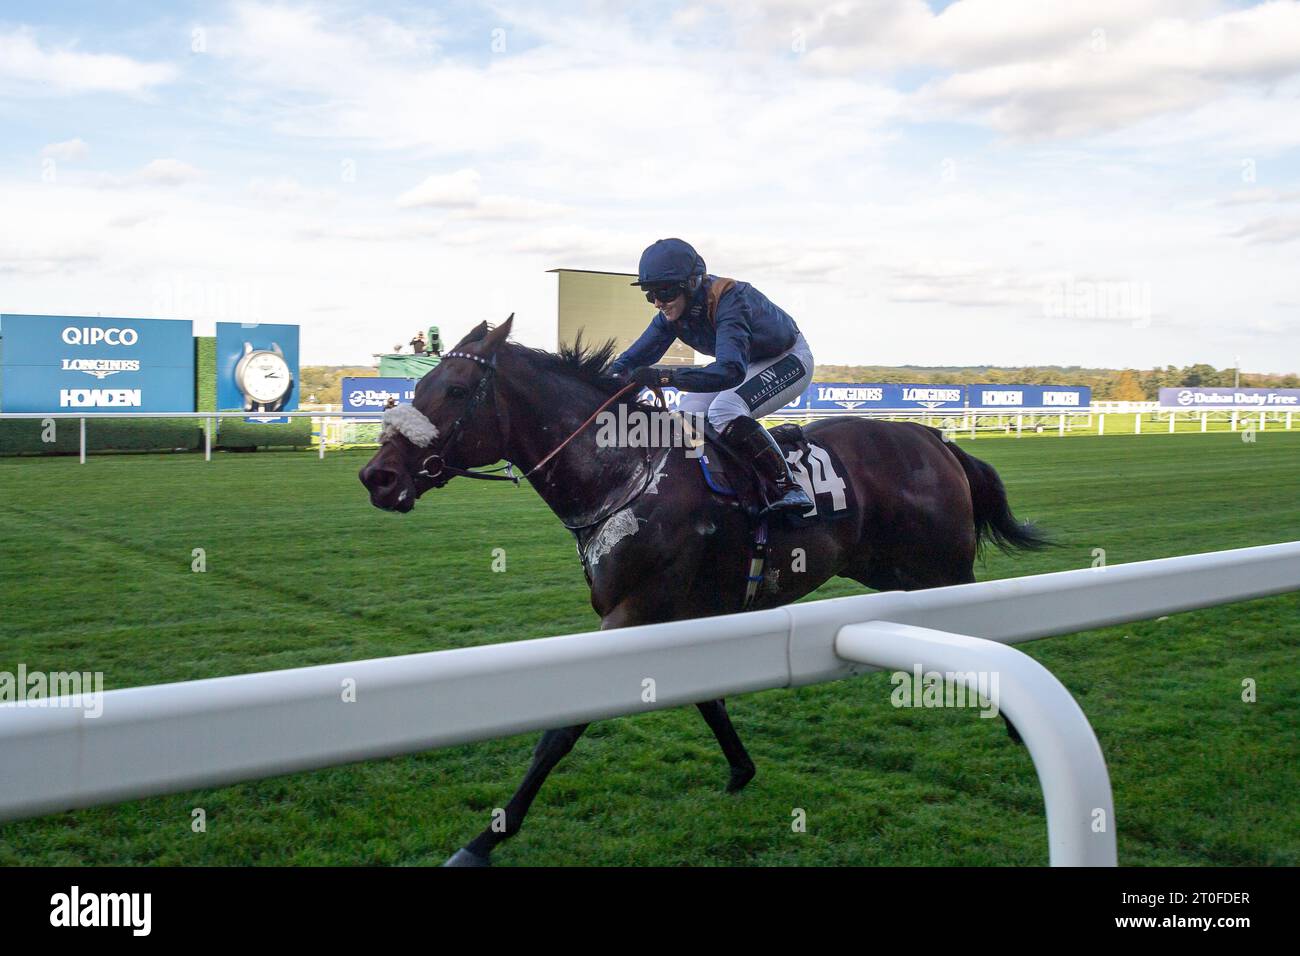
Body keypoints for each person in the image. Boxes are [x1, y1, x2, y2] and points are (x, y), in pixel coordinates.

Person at [609, 238, 814, 513]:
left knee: (725, 410)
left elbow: (729, 371)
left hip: (787, 357)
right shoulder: (672, 315)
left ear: (691, 283)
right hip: (747, 363)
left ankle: (788, 486)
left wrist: (664, 377)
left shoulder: (730, 298)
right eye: (650, 294)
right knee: (686, 416)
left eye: (665, 292)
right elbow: (630, 362)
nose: (658, 302)